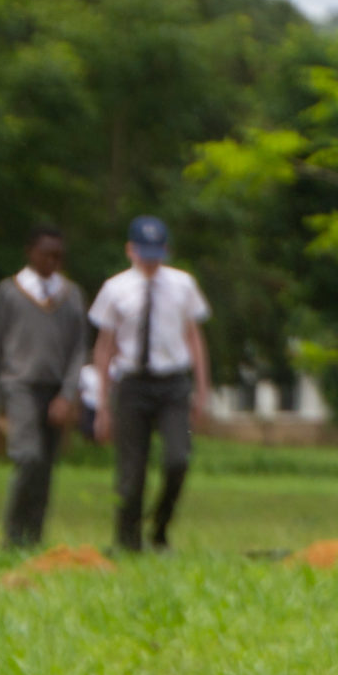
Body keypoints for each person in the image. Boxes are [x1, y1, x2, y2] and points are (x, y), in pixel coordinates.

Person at [88, 216, 211, 553]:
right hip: (131, 385)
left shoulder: (183, 285)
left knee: (178, 459)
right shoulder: (115, 289)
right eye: (144, 252)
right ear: (130, 250)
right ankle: (127, 542)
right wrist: (101, 404)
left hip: (173, 385)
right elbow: (104, 347)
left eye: (157, 252)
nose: (150, 260)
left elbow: (195, 337)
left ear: (167, 250)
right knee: (131, 472)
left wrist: (202, 390)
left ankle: (159, 530)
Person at [0, 226, 87, 548]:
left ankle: (34, 537)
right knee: (28, 457)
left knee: (46, 468)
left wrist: (67, 395)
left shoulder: (71, 295)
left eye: (59, 256)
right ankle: (13, 534)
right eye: (47, 254)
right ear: (31, 252)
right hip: (19, 384)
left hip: (55, 387)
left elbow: (79, 349)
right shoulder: (10, 291)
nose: (53, 261)